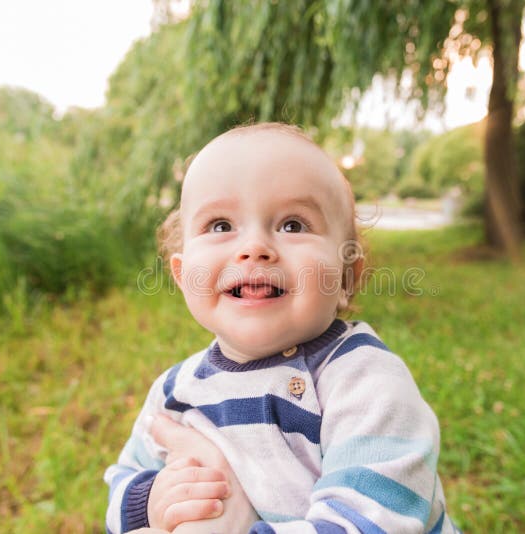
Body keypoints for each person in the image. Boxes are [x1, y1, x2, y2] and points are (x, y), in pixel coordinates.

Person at [105, 123, 459, 533]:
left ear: (346, 277)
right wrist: (149, 501)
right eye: (220, 225)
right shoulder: (176, 391)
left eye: (293, 225)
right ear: (183, 276)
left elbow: (369, 522)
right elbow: (121, 484)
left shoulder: (363, 381)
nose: (254, 248)